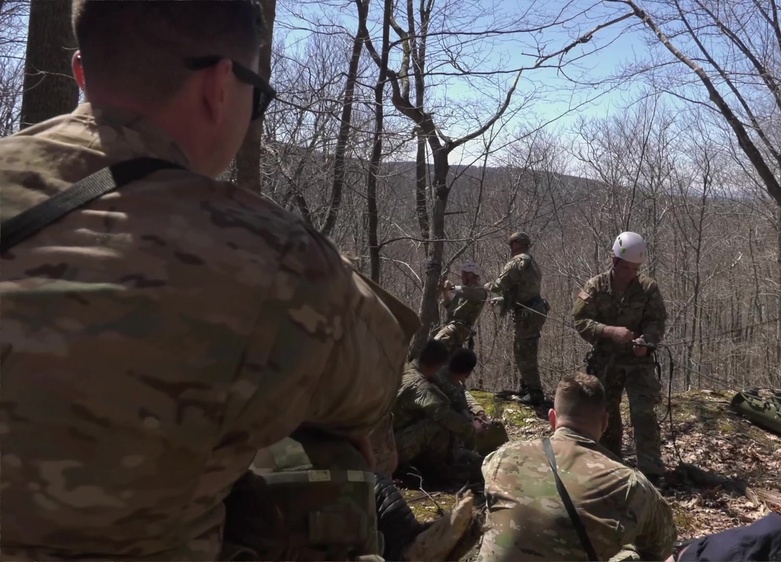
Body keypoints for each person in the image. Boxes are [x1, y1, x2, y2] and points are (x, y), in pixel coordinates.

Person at [0, 1, 419, 558]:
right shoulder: (273, 258)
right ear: (220, 85)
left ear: (81, 72)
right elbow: (371, 393)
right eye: (258, 97)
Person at [478, 372, 676, 562]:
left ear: (552, 418)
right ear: (605, 422)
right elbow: (663, 548)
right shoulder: (628, 484)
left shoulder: (503, 456)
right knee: (632, 554)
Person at [571, 231, 669, 488]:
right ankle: (610, 465)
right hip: (606, 361)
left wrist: (646, 342)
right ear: (614, 261)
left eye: (635, 269)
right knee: (607, 414)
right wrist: (608, 331)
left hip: (639, 363)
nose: (631, 274)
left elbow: (656, 322)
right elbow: (580, 320)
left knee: (643, 413)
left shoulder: (648, 288)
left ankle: (651, 470)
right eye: (626, 268)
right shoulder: (595, 286)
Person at [393, 340, 485, 483]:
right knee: (436, 426)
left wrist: (465, 412)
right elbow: (444, 414)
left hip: (397, 437)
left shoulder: (414, 369)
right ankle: (438, 473)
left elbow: (447, 388)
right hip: (392, 448)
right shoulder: (419, 386)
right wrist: (472, 429)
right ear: (438, 365)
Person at [486, 231, 548, 406]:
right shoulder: (531, 262)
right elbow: (524, 290)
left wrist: (488, 286)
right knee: (523, 350)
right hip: (533, 309)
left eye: (513, 243)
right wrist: (503, 300)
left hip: (527, 313)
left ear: (518, 243)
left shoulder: (518, 261)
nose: (511, 247)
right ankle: (527, 386)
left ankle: (534, 392)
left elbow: (499, 284)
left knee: (525, 352)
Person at [435, 348, 509, 456]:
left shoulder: (450, 376)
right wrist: (471, 426)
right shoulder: (439, 382)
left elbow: (463, 394)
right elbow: (449, 416)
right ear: (468, 374)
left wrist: (479, 412)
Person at [434, 261, 489, 353]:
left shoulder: (479, 291)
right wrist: (445, 292)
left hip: (458, 328)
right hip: (453, 328)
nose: (461, 277)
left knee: (433, 346)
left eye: (463, 274)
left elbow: (469, 292)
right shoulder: (463, 292)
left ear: (470, 275)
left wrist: (452, 287)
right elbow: (451, 309)